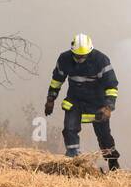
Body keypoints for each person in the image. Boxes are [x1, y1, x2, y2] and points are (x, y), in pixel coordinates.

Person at [45, 33, 120, 172]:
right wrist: (50, 99)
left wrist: (108, 107)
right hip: (75, 100)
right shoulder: (65, 59)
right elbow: (57, 80)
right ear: (72, 51)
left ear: (90, 51)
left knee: (104, 136)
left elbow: (111, 86)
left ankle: (113, 162)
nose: (80, 59)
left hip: (98, 103)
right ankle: (74, 162)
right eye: (77, 56)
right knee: (69, 129)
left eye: (83, 56)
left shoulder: (101, 60)